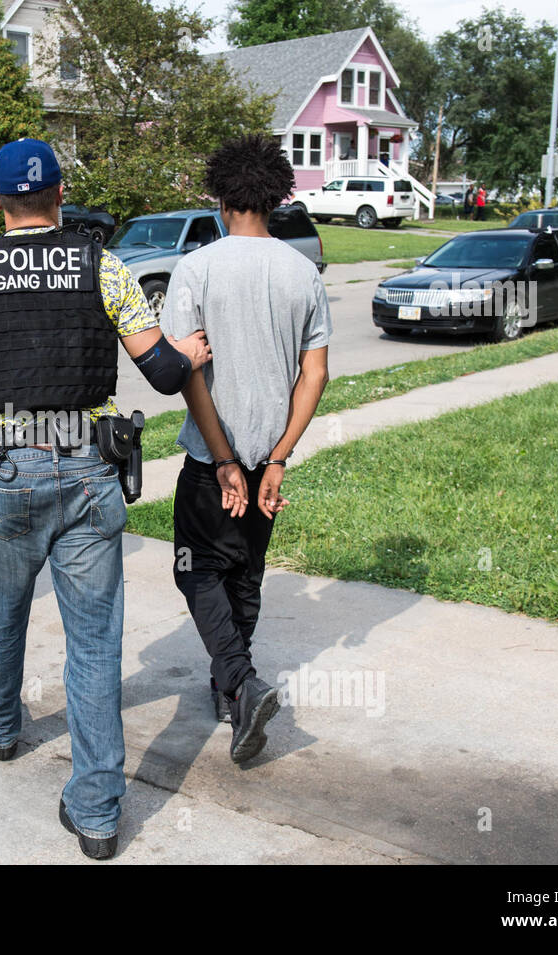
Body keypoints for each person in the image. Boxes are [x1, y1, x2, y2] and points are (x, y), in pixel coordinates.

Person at [0, 139, 212, 860]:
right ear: (60, 195)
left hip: (3, 473)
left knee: (1, 614)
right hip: (91, 472)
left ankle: (0, 725)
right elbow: (160, 371)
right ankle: (97, 814)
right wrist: (189, 351)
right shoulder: (102, 265)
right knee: (95, 645)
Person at [160, 133, 331, 764]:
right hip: (269, 461)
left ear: (220, 195)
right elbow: (314, 375)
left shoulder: (196, 269)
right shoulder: (302, 272)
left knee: (196, 569)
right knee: (246, 574)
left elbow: (186, 371)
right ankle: (233, 693)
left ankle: (239, 680)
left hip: (214, 462)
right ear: (277, 194)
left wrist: (225, 459)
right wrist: (278, 455)